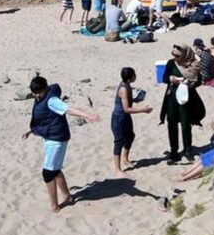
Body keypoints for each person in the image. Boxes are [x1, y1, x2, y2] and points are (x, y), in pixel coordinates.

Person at [23, 75, 98, 213]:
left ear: (45, 89)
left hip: (57, 139)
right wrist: (31, 130)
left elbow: (68, 109)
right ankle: (68, 197)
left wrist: (87, 115)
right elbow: (44, 118)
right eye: (34, 93)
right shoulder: (41, 97)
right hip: (50, 137)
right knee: (55, 169)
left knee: (48, 173)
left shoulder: (52, 100)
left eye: (39, 92)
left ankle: (54, 206)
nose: (37, 95)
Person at [159, 51, 207, 161]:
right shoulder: (171, 63)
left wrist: (189, 83)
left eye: (178, 56)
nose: (175, 58)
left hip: (186, 99)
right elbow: (164, 78)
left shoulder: (191, 65)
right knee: (172, 125)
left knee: (186, 124)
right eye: (174, 55)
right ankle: (174, 151)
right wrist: (170, 79)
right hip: (172, 98)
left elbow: (199, 80)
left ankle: (188, 150)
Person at [111, 66, 152, 174]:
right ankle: (117, 169)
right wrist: (143, 110)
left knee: (130, 136)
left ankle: (125, 159)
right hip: (119, 118)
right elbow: (126, 109)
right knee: (118, 142)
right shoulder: (123, 89)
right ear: (130, 78)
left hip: (125, 117)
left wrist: (136, 99)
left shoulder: (127, 85)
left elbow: (126, 101)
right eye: (134, 75)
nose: (136, 76)